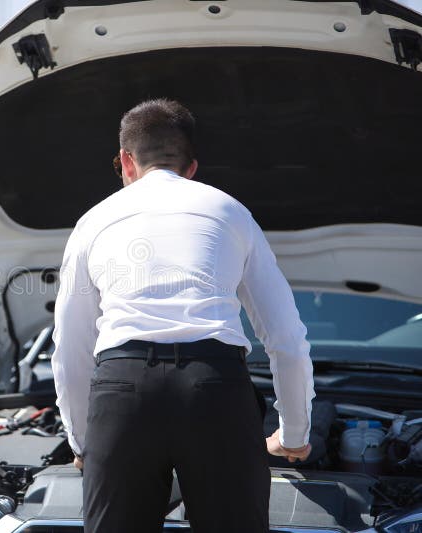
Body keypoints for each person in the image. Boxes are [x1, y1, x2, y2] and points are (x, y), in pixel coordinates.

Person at [51, 98, 315, 533]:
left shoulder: (93, 222)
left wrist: (83, 442)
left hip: (122, 391)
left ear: (126, 161)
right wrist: (294, 435)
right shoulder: (231, 212)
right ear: (191, 168)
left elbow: (69, 348)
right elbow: (286, 338)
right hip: (215, 389)